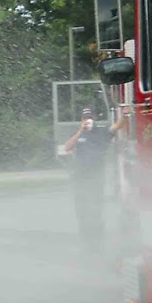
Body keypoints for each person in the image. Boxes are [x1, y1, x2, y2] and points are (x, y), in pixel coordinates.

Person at [60, 105, 121, 247]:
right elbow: (67, 147)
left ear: (95, 117)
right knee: (81, 207)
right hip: (80, 177)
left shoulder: (102, 131)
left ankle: (98, 235)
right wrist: (80, 131)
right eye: (85, 118)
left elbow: (116, 127)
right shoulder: (78, 132)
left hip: (96, 176)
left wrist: (124, 115)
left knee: (96, 205)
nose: (87, 120)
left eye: (90, 117)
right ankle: (85, 235)